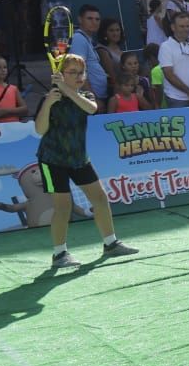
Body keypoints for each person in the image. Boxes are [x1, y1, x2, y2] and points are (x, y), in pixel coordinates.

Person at [35, 54, 139, 267]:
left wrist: (65, 89)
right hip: (52, 160)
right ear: (61, 74)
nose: (78, 76)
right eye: (72, 72)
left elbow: (91, 108)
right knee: (63, 207)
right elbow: (39, 130)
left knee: (100, 199)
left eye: (81, 72)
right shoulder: (49, 98)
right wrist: (48, 102)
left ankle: (111, 244)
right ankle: (59, 254)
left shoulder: (86, 96)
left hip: (79, 159)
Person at [158, 13, 189, 107]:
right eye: (182, 26)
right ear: (173, 27)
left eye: (188, 26)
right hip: (176, 98)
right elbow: (169, 74)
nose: (186, 29)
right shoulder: (166, 46)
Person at [71, 5, 109, 97]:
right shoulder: (78, 39)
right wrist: (92, 99)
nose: (94, 22)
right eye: (89, 18)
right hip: (89, 100)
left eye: (97, 19)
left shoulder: (87, 39)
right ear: (80, 19)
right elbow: (78, 71)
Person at [0, 56, 27, 122]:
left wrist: (6, 111)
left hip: (13, 126)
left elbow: (25, 109)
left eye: (5, 67)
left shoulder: (13, 88)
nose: (3, 70)